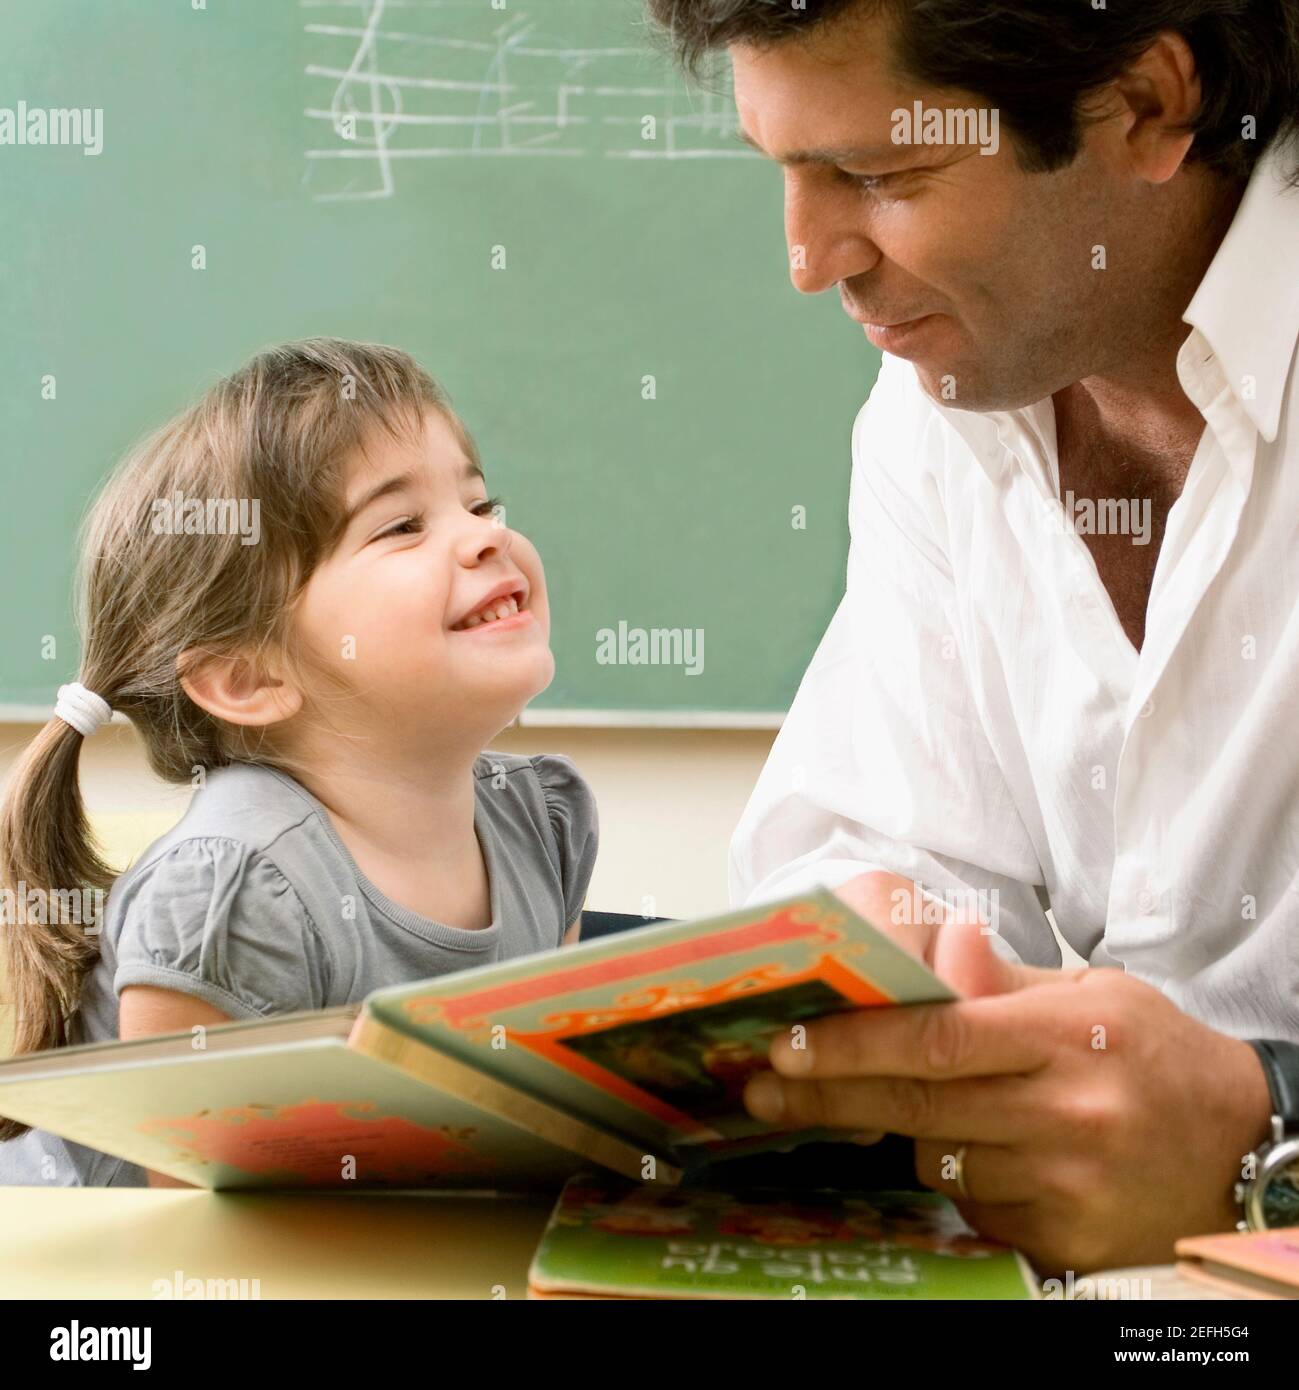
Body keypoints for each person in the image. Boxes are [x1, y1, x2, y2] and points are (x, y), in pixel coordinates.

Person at [646, 0, 1299, 1271]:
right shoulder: (933, 415)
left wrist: (1263, 1136)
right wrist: (876, 960)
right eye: (785, 171)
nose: (809, 257)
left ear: (1146, 106)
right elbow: (878, 848)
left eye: (881, 177)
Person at [0, 338, 597, 1186]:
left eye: (479, 502)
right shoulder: (233, 897)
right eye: (401, 526)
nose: (483, 540)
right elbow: (197, 1241)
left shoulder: (548, 820)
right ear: (249, 678)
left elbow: (548, 1125)